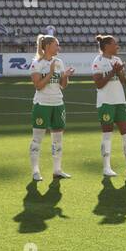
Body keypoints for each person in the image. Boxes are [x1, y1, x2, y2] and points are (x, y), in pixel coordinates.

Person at [93, 34, 126, 177]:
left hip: (120, 101)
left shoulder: (117, 60)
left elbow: (124, 81)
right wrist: (113, 72)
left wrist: (119, 71)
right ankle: (106, 167)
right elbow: (99, 83)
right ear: (107, 46)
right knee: (107, 135)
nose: (117, 46)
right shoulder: (98, 61)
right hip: (105, 102)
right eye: (115, 44)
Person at [29, 34, 74, 181]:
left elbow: (63, 85)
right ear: (48, 46)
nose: (58, 48)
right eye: (56, 45)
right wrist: (51, 72)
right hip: (42, 104)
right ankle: (35, 171)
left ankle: (57, 170)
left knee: (58, 139)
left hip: (58, 104)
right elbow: (38, 86)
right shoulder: (36, 63)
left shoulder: (59, 61)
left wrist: (65, 76)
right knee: (37, 139)